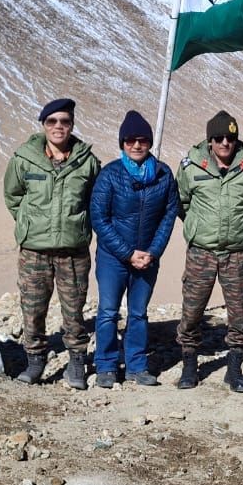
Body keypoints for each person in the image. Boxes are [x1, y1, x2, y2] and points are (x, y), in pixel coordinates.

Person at [3, 99, 101, 390]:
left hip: (73, 251)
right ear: (43, 125)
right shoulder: (24, 158)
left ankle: (76, 362)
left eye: (65, 122)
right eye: (52, 122)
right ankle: (35, 360)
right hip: (34, 251)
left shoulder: (87, 162)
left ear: (72, 125)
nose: (59, 127)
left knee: (74, 309)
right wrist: (29, 223)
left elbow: (95, 201)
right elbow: (13, 196)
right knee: (32, 309)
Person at [175, 111, 243, 392]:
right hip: (201, 252)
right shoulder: (192, 167)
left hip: (236, 253)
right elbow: (182, 202)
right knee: (192, 311)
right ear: (210, 140)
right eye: (219, 138)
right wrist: (201, 227)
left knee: (238, 313)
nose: (225, 143)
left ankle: (235, 369)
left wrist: (238, 227)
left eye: (230, 138)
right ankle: (190, 366)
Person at [90, 110, 179, 388]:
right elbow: (99, 219)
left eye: (142, 140)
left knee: (138, 313)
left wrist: (152, 252)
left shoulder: (163, 175)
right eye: (130, 140)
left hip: (148, 259)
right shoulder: (110, 175)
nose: (137, 145)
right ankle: (105, 365)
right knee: (108, 311)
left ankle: (137, 365)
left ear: (150, 142)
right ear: (122, 143)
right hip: (113, 258)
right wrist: (128, 253)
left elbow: (168, 216)